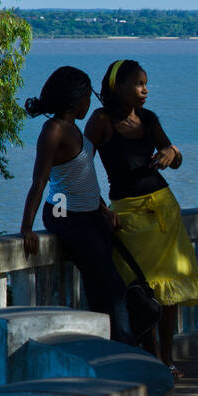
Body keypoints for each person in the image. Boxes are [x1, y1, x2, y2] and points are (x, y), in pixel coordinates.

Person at [86, 59, 198, 377]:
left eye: (146, 83)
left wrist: (173, 153)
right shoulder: (100, 121)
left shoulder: (148, 118)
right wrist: (101, 208)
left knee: (169, 290)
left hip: (164, 209)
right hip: (127, 212)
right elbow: (80, 168)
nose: (145, 90)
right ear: (119, 87)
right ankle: (148, 359)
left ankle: (166, 360)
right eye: (139, 84)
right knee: (139, 290)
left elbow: (173, 155)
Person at [19, 66, 133, 345]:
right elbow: (40, 180)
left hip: (91, 216)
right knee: (112, 287)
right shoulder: (54, 129)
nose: (90, 102)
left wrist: (103, 208)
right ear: (75, 98)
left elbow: (83, 177)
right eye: (86, 96)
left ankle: (109, 349)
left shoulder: (74, 129)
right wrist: (27, 226)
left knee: (103, 289)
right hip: (68, 218)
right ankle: (125, 351)